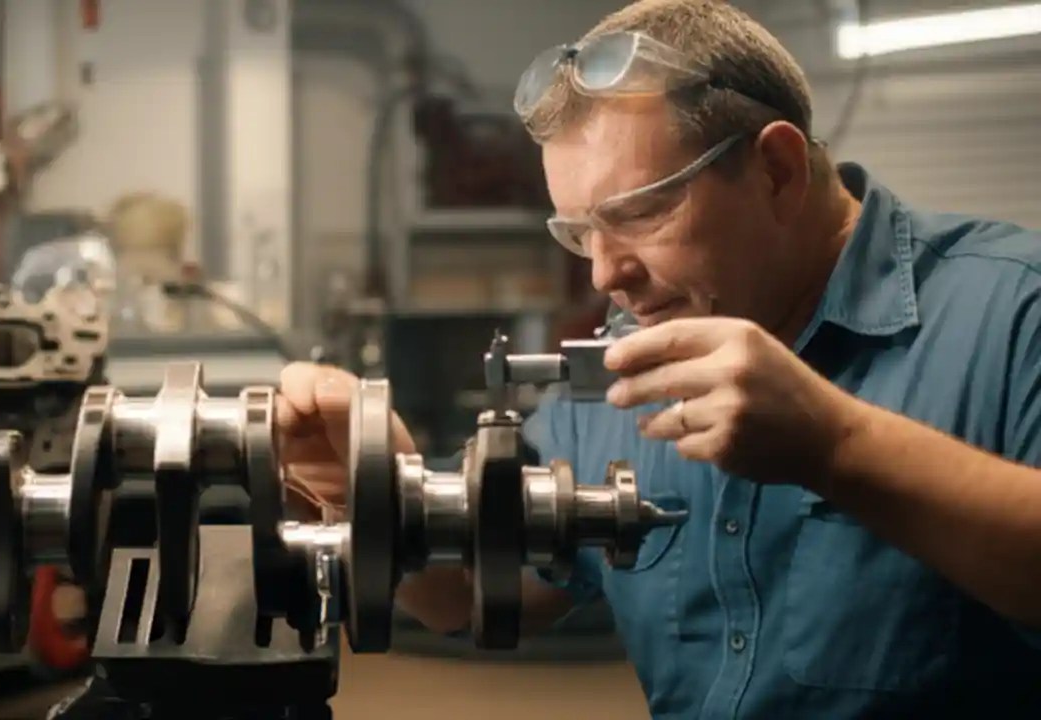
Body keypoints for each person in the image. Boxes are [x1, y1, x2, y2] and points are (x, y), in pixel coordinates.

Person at [278, 0, 1041, 716]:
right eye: (581, 233)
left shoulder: (1012, 313)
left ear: (777, 171)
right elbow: (469, 590)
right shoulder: (626, 361)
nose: (604, 274)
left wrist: (837, 447)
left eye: (638, 214)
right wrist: (372, 487)